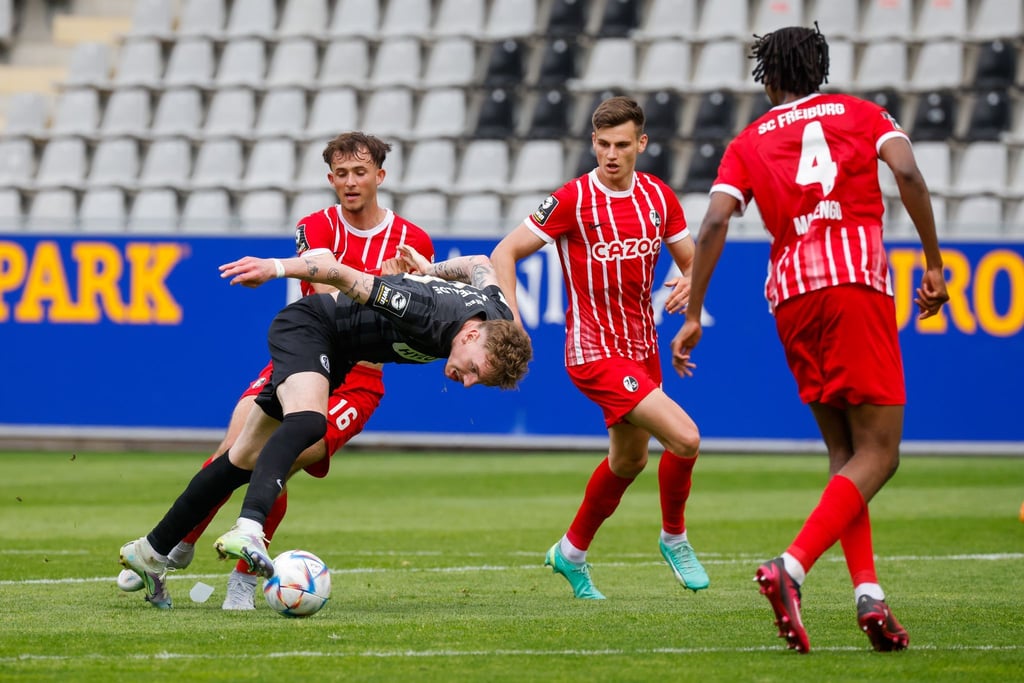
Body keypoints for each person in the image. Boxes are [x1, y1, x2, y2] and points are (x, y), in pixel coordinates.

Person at [670, 25, 950, 653]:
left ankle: (868, 596)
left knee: (845, 457)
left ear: (767, 78)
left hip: (792, 296)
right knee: (881, 454)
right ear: (819, 69)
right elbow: (905, 170)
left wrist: (696, 310)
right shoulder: (861, 113)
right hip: (853, 284)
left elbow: (715, 218)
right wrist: (932, 264)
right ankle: (790, 568)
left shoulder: (749, 140)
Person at [116, 132, 436, 610]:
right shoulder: (315, 224)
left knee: (277, 461)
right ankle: (171, 549)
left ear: (380, 177)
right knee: (234, 448)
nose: (350, 182)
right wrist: (376, 284)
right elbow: (325, 282)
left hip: (359, 378)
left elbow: (422, 314)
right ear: (331, 179)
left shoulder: (412, 240)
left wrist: (414, 278)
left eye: (360, 172)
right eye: (341, 174)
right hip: (303, 356)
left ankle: (242, 581)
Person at [118, 245, 532, 605]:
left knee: (239, 457)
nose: (469, 380)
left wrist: (430, 269)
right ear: (471, 334)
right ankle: (249, 529)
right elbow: (341, 275)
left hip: (337, 351)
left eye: (482, 381)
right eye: (475, 369)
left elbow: (479, 263)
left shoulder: (499, 314)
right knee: (310, 422)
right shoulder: (421, 311)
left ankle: (150, 551)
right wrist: (276, 268)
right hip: (310, 327)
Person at [490, 95, 707, 600]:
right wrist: (514, 320)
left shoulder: (659, 198)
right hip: (593, 352)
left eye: (622, 145)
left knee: (629, 461)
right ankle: (675, 537)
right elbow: (505, 251)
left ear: (641, 144)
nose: (611, 154)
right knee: (686, 438)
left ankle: (570, 552)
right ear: (593, 143)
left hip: (643, 350)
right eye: (603, 144)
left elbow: (695, 261)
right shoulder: (571, 199)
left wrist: (691, 283)